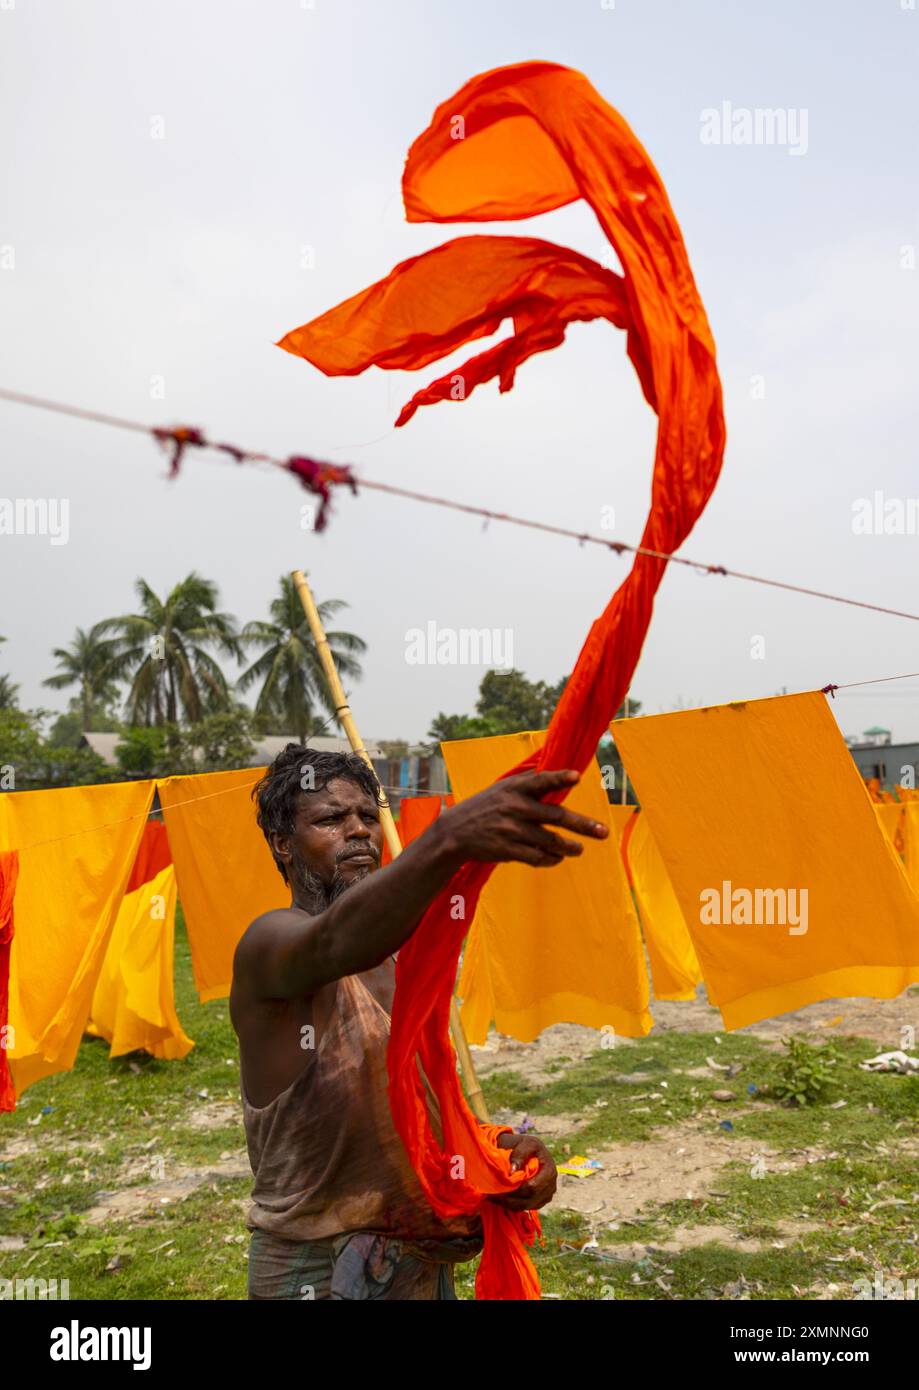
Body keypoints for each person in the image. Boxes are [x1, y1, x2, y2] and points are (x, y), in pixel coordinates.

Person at [230, 745, 609, 1299]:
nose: (358, 831)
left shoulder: (403, 962)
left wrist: (500, 1154)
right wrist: (449, 836)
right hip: (317, 1271)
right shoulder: (272, 945)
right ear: (284, 845)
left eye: (367, 815)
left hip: (421, 1266)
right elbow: (336, 940)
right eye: (332, 819)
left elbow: (418, 1112)